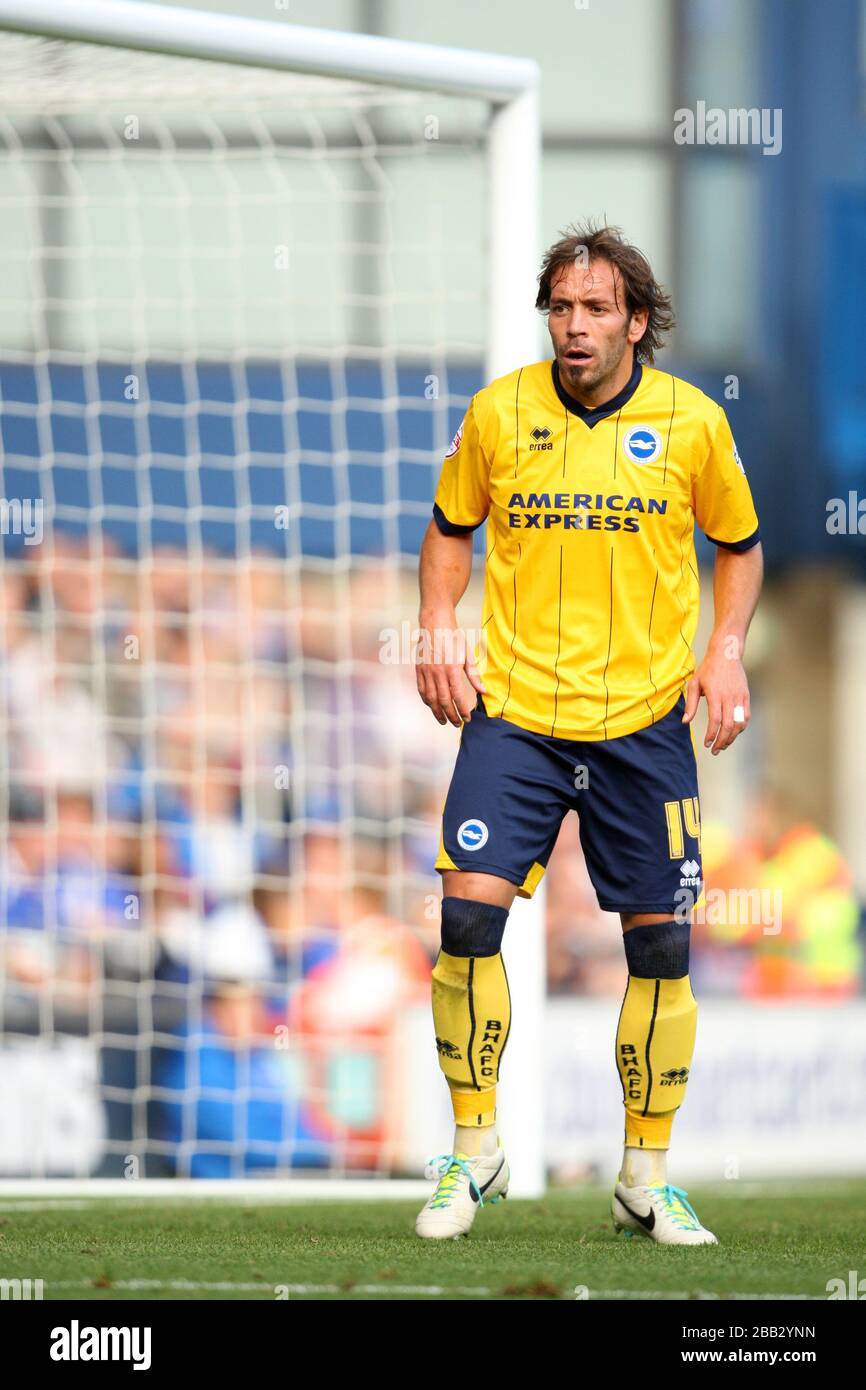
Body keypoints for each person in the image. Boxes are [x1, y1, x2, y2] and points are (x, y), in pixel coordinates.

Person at [414, 222, 763, 1244]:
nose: (572, 326)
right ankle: (471, 1153)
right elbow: (448, 528)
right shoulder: (496, 414)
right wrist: (437, 624)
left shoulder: (691, 424)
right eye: (559, 308)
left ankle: (642, 1177)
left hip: (642, 724)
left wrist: (725, 648)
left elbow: (737, 547)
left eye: (594, 308)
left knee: (658, 948)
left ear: (634, 322)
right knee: (466, 918)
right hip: (514, 717)